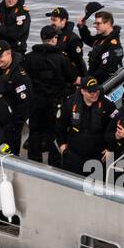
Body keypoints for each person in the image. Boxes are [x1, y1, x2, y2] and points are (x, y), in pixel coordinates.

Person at [22, 26, 74, 164]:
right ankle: (54, 162)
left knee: (35, 131)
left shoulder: (29, 57)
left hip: (35, 101)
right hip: (54, 102)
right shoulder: (62, 58)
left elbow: (24, 78)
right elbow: (72, 78)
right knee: (54, 132)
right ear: (54, 39)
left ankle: (33, 160)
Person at [56, 76, 115, 175]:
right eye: (91, 92)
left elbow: (116, 127)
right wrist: (61, 145)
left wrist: (111, 148)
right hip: (74, 155)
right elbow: (60, 125)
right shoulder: (70, 103)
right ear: (83, 91)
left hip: (98, 156)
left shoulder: (107, 104)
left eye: (96, 91)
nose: (94, 94)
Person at [0, 40, 32, 156]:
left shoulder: (19, 76)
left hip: (10, 125)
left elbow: (24, 105)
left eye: (0, 57)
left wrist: (14, 127)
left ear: (9, 54)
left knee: (9, 155)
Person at [77, 4, 123, 84]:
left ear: (108, 23)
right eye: (95, 23)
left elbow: (103, 72)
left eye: (98, 23)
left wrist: (83, 81)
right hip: (92, 79)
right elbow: (89, 40)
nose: (95, 26)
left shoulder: (114, 46)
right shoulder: (102, 37)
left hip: (103, 84)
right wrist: (82, 27)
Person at [49, 6, 85, 82]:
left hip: (72, 78)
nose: (52, 23)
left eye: (55, 20)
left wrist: (79, 80)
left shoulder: (73, 40)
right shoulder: (54, 35)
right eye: (51, 20)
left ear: (64, 20)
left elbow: (78, 63)